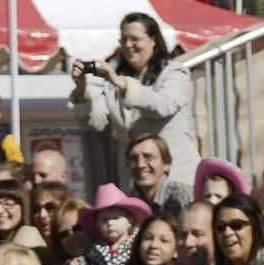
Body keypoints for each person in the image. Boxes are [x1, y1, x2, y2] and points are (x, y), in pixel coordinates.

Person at [72, 12, 197, 191]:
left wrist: (121, 84)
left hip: (177, 181)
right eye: (123, 40)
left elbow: (163, 105)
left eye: (135, 39)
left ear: (153, 39)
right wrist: (82, 88)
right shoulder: (113, 82)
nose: (128, 45)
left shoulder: (175, 73)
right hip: (135, 185)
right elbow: (96, 123)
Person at [127, 133, 194, 219]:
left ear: (166, 164)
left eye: (148, 157)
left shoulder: (182, 196)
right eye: (134, 158)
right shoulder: (132, 201)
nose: (140, 165)